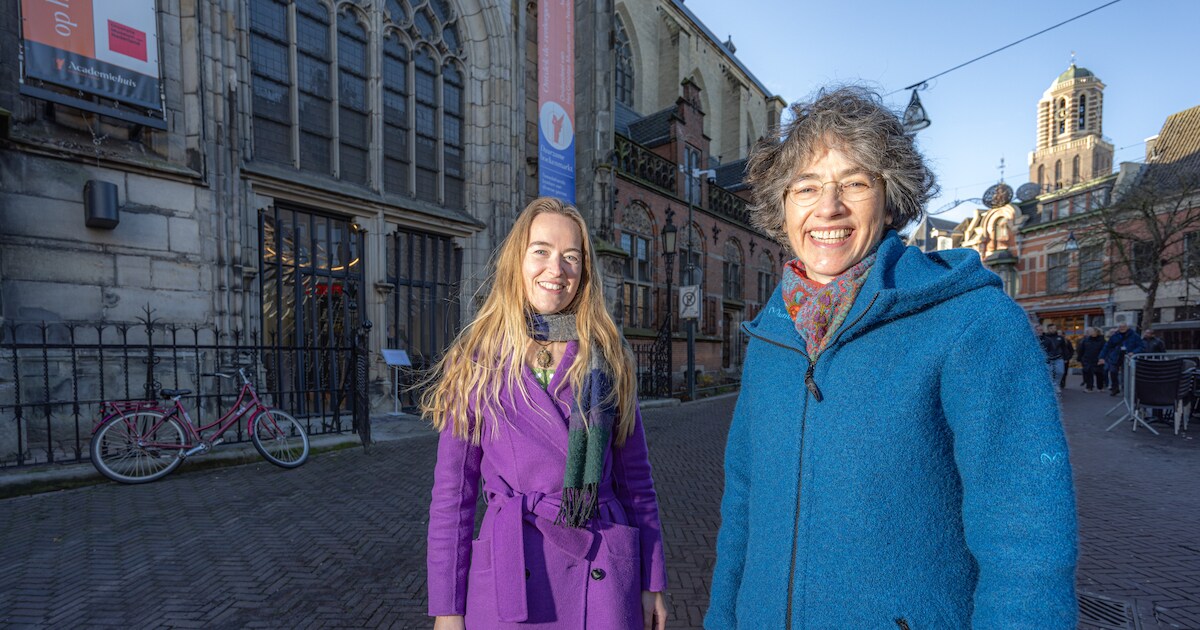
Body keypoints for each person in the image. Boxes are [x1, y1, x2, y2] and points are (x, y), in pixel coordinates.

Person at [706, 86, 1077, 629]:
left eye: (854, 183)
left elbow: (1026, 541)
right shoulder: (772, 336)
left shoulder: (974, 323)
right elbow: (742, 506)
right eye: (805, 187)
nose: (827, 207)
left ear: (890, 197)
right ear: (781, 208)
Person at [424, 198, 668, 629]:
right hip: (513, 567)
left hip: (601, 571)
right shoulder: (476, 362)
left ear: (584, 272)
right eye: (541, 251)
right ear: (517, 261)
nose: (556, 269)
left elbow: (638, 485)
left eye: (571, 257)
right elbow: (452, 498)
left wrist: (652, 581)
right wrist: (447, 610)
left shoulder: (607, 358)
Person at [1100, 322, 1144, 396]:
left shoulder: (1134, 336)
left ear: (1127, 327)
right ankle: (1115, 388)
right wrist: (1101, 357)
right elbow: (1107, 347)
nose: (1122, 328)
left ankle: (1125, 389)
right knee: (1113, 372)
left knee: (1126, 373)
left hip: (1128, 356)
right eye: (1120, 327)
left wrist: (1133, 352)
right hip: (1115, 356)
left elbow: (1141, 346)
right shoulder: (1114, 336)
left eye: (1124, 327)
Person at [1039, 323, 1070, 393]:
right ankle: (1051, 386)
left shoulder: (1060, 338)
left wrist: (1066, 357)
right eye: (1051, 328)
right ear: (1048, 329)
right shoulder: (1044, 337)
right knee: (1049, 373)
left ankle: (1056, 385)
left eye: (1054, 328)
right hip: (1048, 359)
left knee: (1060, 372)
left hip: (1058, 357)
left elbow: (1064, 348)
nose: (1053, 330)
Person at [1077, 327, 1107, 392]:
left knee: (1099, 373)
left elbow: (1105, 350)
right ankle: (1089, 387)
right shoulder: (1086, 340)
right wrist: (1080, 358)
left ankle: (1100, 387)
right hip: (1088, 359)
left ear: (1096, 332)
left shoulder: (1102, 340)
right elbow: (1081, 350)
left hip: (1098, 359)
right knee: (1088, 373)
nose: (1090, 332)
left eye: (1092, 331)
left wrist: (1103, 358)